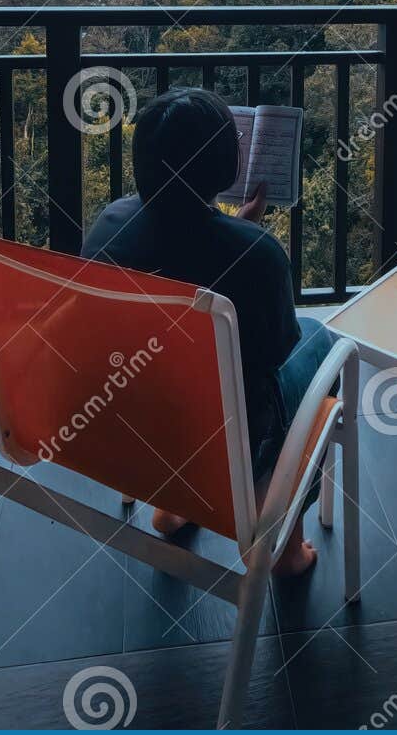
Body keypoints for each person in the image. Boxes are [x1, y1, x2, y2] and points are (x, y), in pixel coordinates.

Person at [82, 87, 333, 577]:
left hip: (130, 422)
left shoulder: (110, 225)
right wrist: (245, 236)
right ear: (226, 168)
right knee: (319, 340)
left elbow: (182, 257)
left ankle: (173, 501)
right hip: (228, 436)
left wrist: (237, 232)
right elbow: (278, 352)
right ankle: (284, 544)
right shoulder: (256, 254)